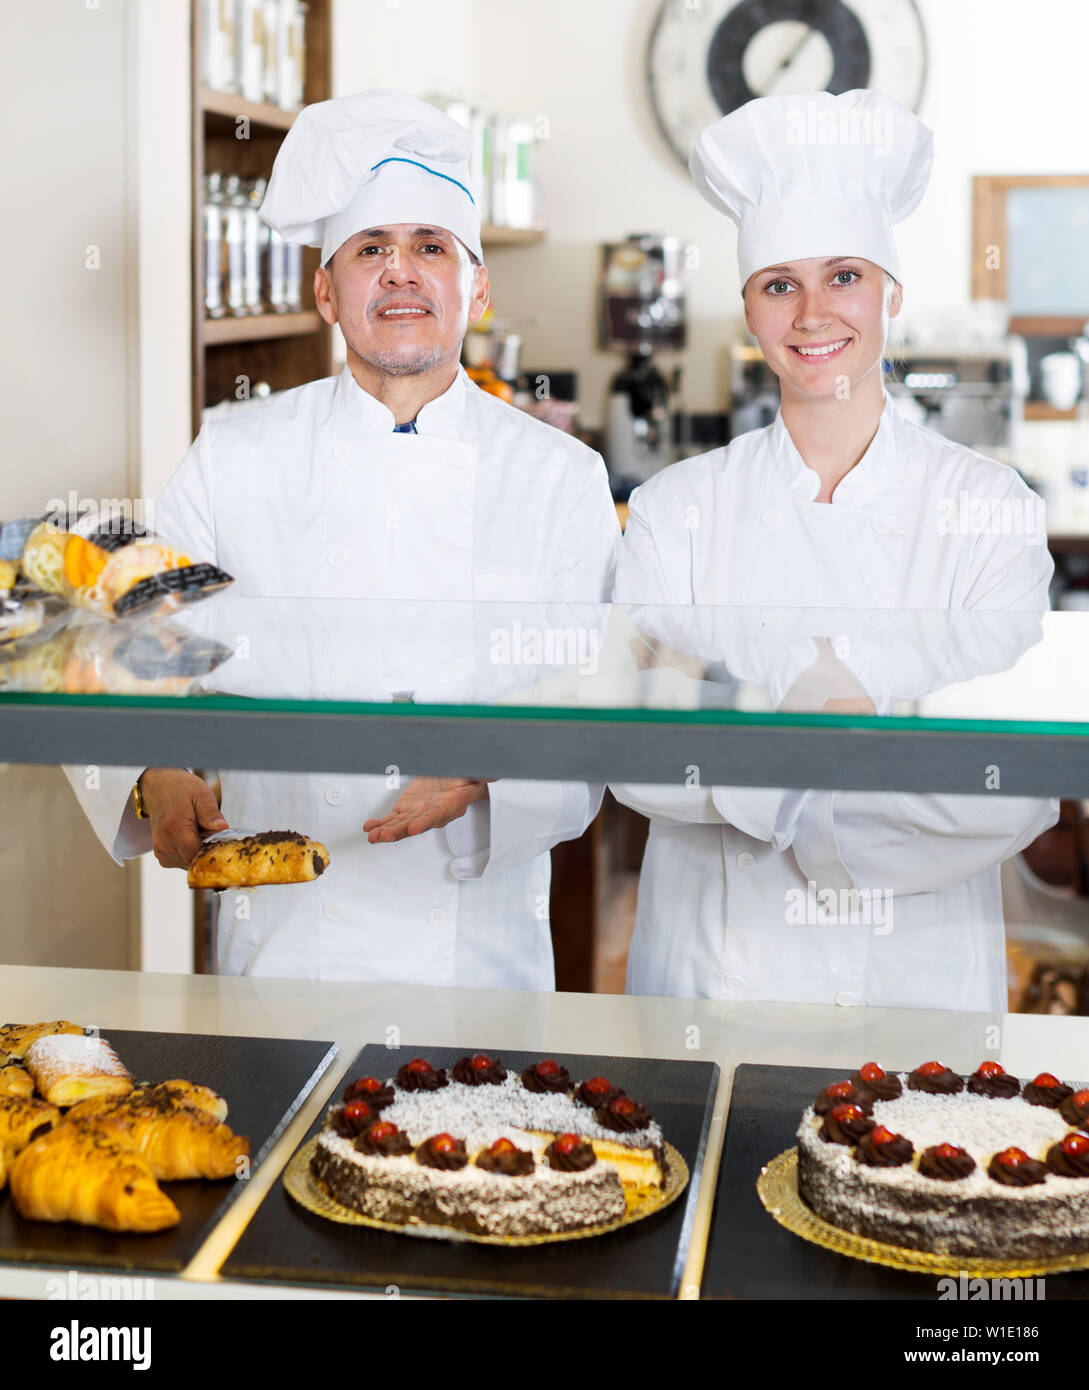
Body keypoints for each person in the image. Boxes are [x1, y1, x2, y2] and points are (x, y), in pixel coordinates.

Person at [68, 90, 619, 988]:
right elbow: (120, 641)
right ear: (326, 291)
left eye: (430, 247)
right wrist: (155, 767)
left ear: (476, 285)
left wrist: (486, 775)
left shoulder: (560, 477)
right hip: (282, 941)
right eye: (370, 250)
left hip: (475, 952)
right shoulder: (233, 454)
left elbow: (597, 707)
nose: (400, 273)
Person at [611, 89, 1058, 1011]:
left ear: (891, 293)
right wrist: (862, 742)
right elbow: (635, 755)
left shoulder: (988, 511)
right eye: (779, 284)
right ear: (748, 311)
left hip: (916, 987)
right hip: (707, 975)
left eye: (843, 276)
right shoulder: (672, 508)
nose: (813, 313)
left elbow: (1010, 791)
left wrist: (757, 757)